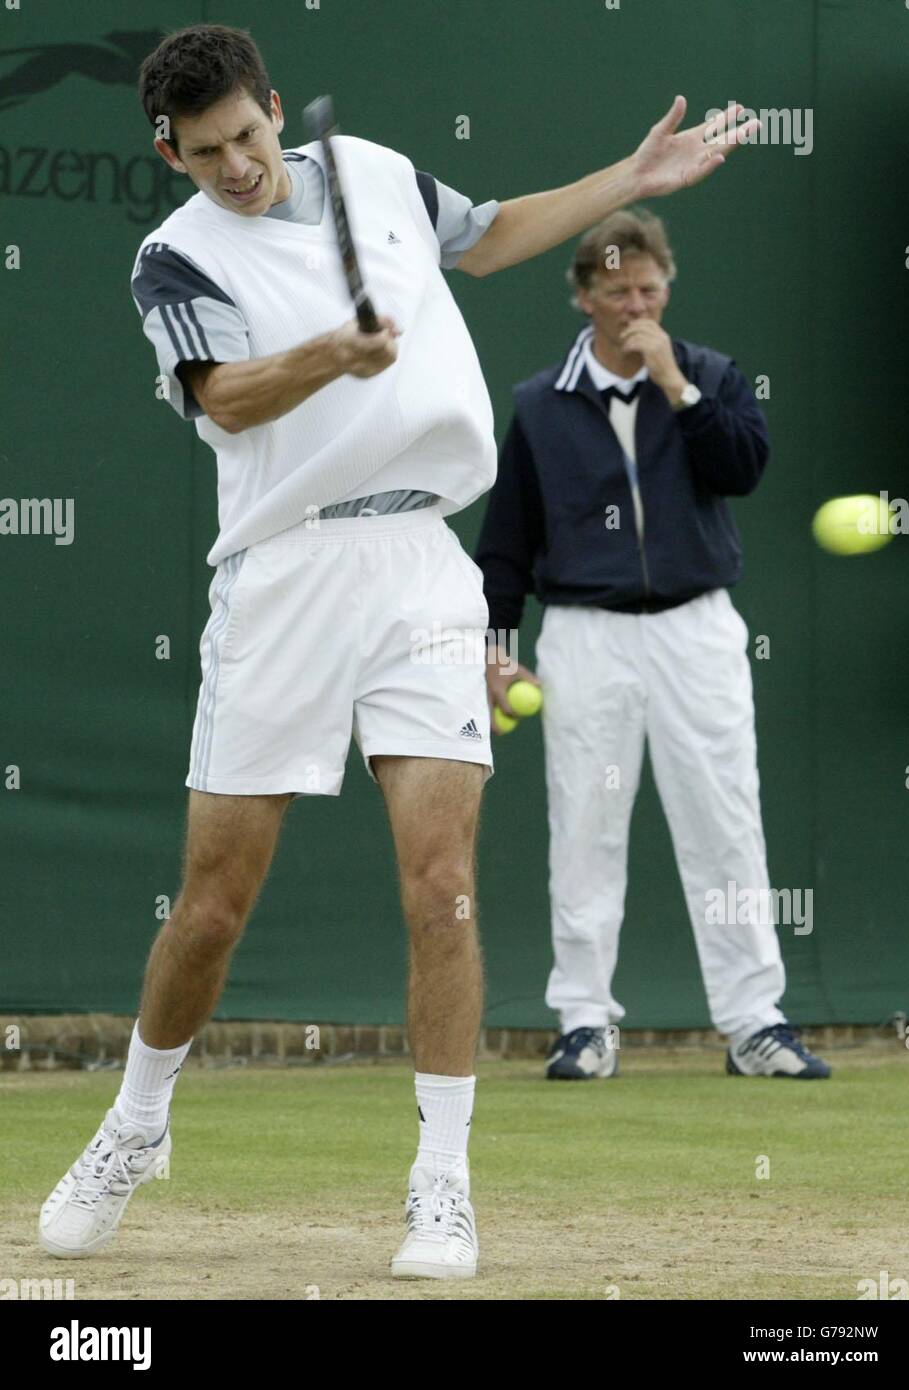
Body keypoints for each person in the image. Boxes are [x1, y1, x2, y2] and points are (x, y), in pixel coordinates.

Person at [37, 21, 760, 1279]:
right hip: (284, 575)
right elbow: (221, 399)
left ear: (272, 106)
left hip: (425, 562)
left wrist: (627, 180)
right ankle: (135, 1124)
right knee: (212, 903)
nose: (238, 166)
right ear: (169, 151)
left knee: (442, 886)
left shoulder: (372, 169)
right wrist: (332, 354)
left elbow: (484, 237)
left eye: (250, 137)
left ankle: (440, 1183)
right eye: (206, 153)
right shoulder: (172, 258)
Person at [477, 209, 830, 1083]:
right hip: (586, 639)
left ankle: (755, 1022)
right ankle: (585, 1023)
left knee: (726, 823)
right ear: (584, 297)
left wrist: (680, 387)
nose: (636, 304)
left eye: (650, 289)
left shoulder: (709, 376)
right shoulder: (538, 405)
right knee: (585, 826)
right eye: (617, 290)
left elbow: (743, 467)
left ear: (666, 290)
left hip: (697, 629)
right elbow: (505, 547)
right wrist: (494, 648)